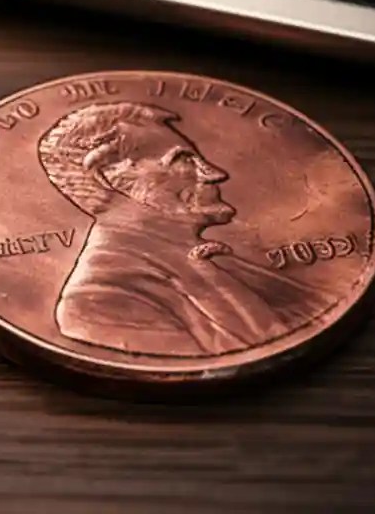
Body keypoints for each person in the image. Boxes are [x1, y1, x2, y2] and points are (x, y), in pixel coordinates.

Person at [37, 101, 341, 356]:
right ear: (110, 176)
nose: (215, 174)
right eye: (183, 159)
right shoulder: (99, 302)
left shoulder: (216, 264)